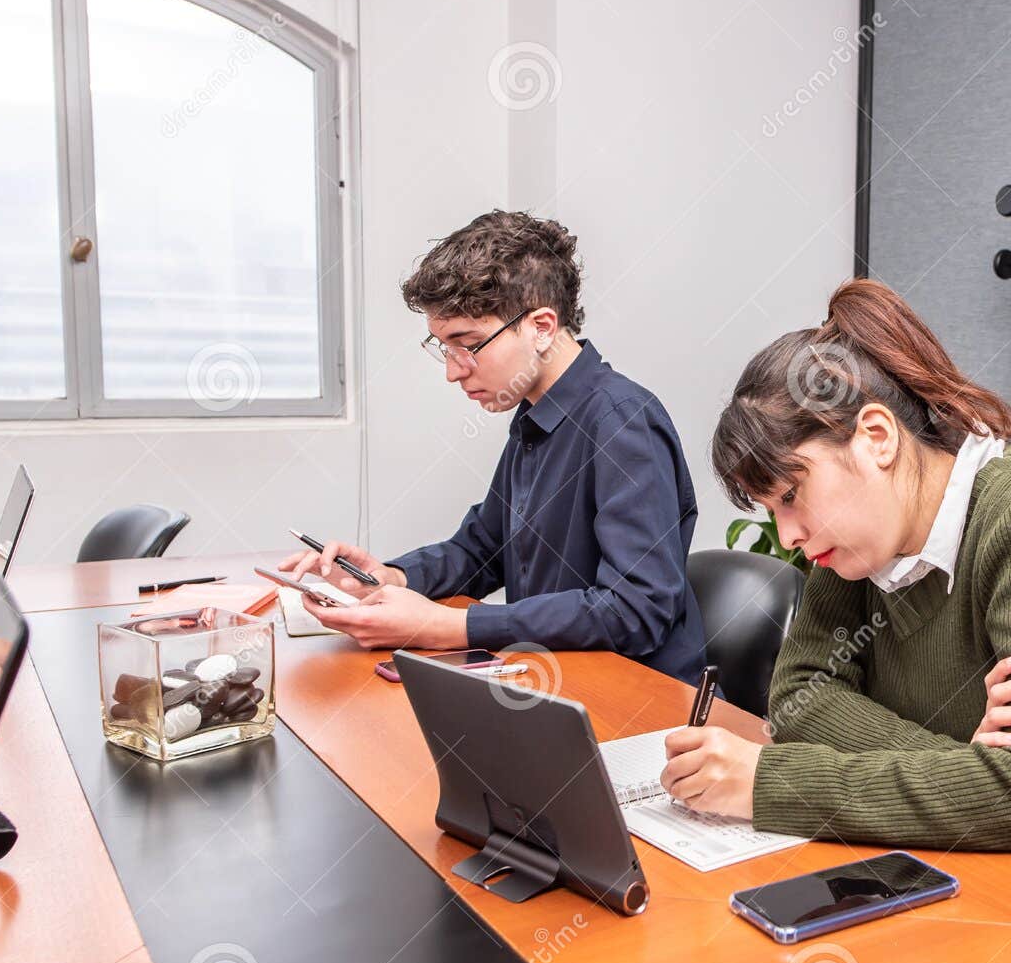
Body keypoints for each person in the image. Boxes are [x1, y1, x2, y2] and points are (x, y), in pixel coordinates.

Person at [660, 278, 1011, 933]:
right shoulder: (860, 543)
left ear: (876, 438)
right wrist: (964, 767)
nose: (790, 535)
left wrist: (774, 784)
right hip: (956, 866)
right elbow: (800, 698)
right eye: (774, 511)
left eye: (792, 495)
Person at [280, 211, 709, 685]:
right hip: (558, 676)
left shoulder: (622, 421)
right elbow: (485, 550)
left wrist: (448, 626)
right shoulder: (534, 412)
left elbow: (635, 610)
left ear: (542, 326)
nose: (453, 370)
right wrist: (389, 578)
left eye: (468, 344)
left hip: (643, 699)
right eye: (443, 347)